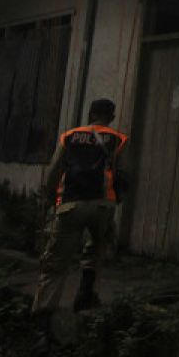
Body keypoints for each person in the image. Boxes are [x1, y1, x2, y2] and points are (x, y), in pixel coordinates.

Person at [31, 98, 128, 338]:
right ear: (111, 116)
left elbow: (54, 172)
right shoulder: (117, 139)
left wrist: (48, 199)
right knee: (95, 252)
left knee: (56, 261)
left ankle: (43, 318)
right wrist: (117, 200)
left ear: (90, 114)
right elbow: (122, 175)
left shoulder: (70, 136)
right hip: (102, 206)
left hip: (70, 204)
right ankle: (85, 300)